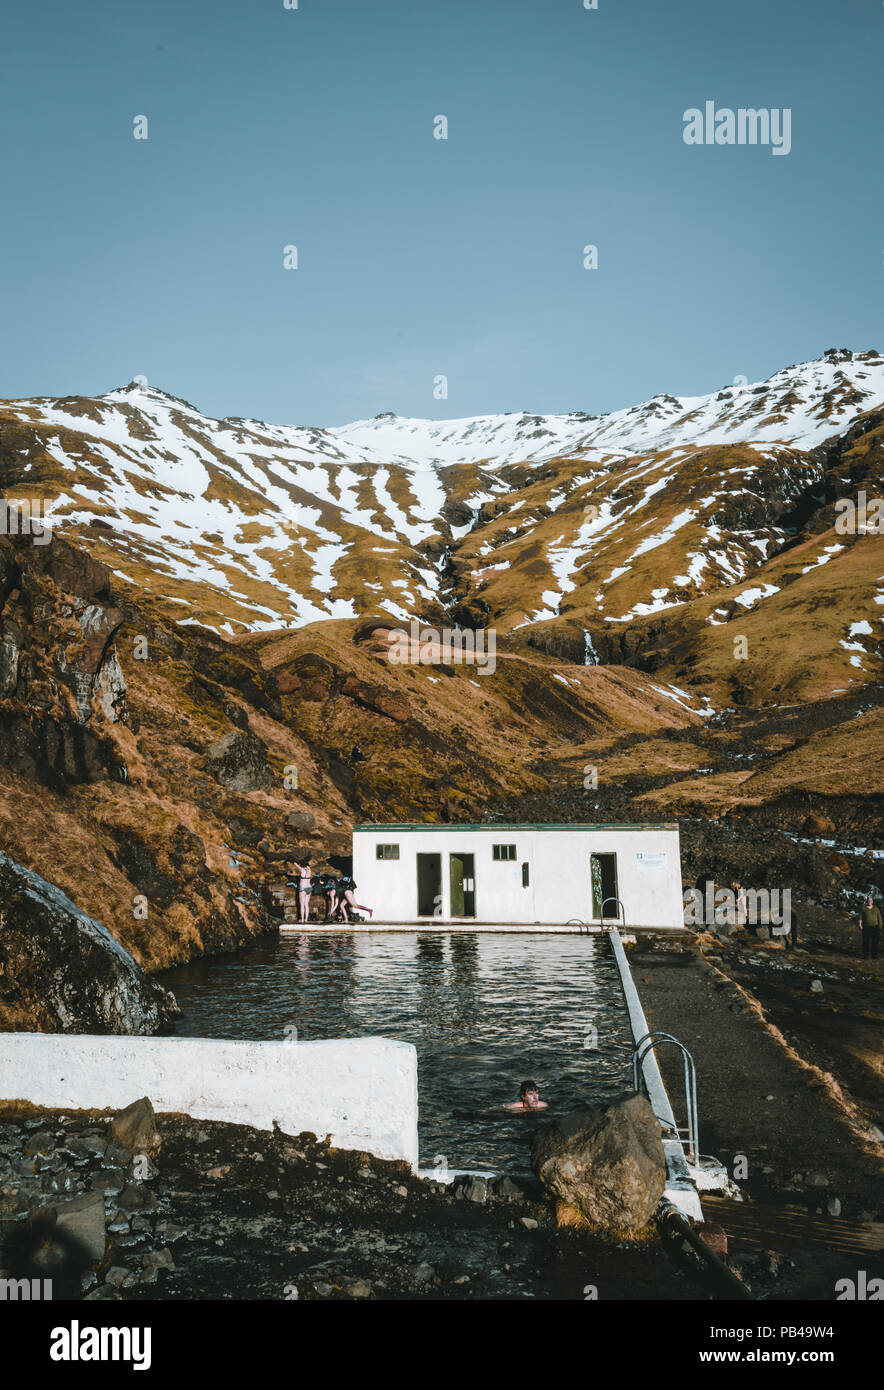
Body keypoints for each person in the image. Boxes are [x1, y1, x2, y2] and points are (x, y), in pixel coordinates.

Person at [287, 859, 313, 924]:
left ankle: (302, 919)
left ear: (302, 865)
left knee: (302, 905)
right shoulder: (309, 870)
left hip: (303, 888)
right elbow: (307, 867)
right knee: (306, 904)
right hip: (309, 888)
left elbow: (297, 865)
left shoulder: (302, 871)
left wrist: (293, 861)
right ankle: (306, 919)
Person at [858, 895, 882, 960]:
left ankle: (874, 955)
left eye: (871, 901)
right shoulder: (863, 908)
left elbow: (879, 918)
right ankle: (866, 955)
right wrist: (860, 925)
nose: (870, 902)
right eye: (868, 901)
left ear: (872, 901)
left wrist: (880, 927)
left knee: (875, 942)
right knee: (866, 942)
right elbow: (860, 917)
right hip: (866, 927)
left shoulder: (876, 908)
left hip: (875, 927)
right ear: (867, 901)